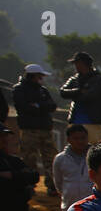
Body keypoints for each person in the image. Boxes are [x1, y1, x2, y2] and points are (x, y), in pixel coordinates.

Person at [12, 63, 58, 194]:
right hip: (29, 129)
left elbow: (52, 106)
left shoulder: (42, 90)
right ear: (33, 76)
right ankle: (29, 184)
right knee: (28, 158)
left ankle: (52, 185)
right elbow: (24, 107)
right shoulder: (19, 89)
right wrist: (41, 106)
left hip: (45, 128)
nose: (41, 78)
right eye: (40, 76)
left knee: (50, 157)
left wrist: (37, 106)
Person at [59, 51, 101, 143]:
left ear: (84, 64)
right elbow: (62, 92)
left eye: (77, 63)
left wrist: (74, 95)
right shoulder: (74, 79)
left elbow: (90, 96)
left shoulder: (99, 80)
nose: (75, 66)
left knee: (91, 147)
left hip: (93, 121)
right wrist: (79, 91)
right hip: (75, 120)